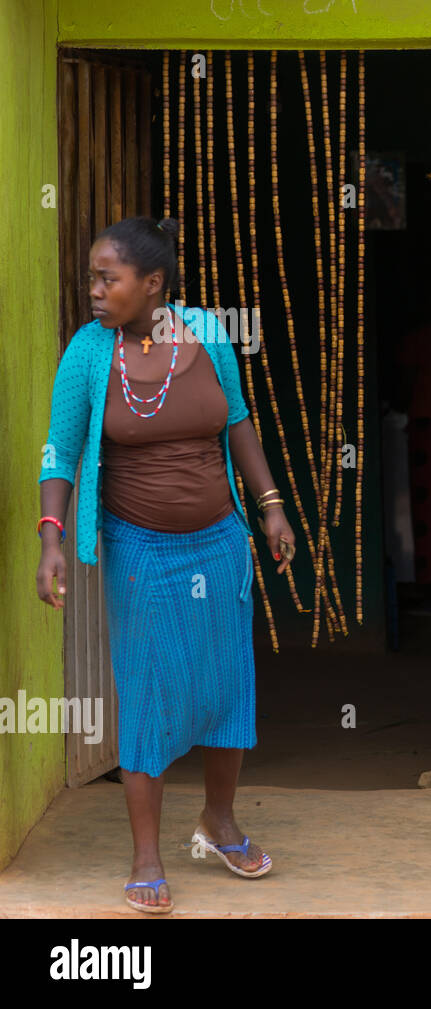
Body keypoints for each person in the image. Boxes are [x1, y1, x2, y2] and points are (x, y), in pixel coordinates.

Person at [35, 216, 295, 913]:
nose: (93, 289)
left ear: (153, 284)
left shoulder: (209, 335)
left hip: (217, 540)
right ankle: (147, 853)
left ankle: (220, 820)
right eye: (92, 275)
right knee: (148, 691)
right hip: (138, 546)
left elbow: (238, 421)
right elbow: (60, 451)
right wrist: (52, 537)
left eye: (106, 277)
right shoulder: (90, 353)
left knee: (225, 687)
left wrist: (269, 505)